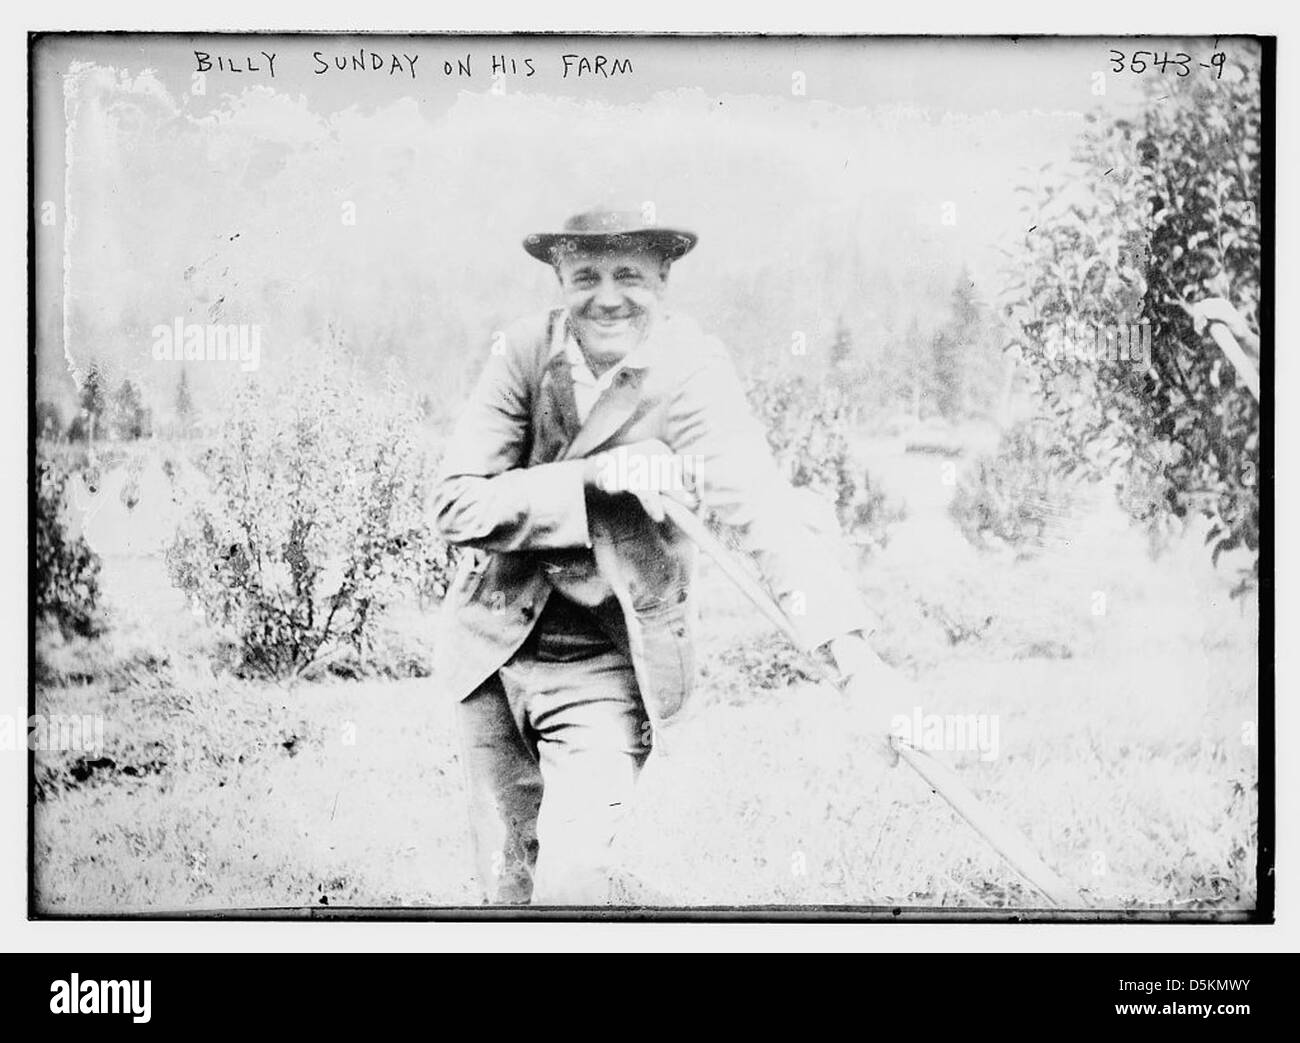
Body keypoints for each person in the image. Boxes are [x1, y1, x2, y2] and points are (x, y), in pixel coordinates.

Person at [431, 205, 904, 904]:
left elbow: (761, 508)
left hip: (607, 659)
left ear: (664, 279)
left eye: (630, 274)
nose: (608, 295)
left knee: (574, 882)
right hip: (490, 650)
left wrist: (851, 652)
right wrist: (598, 477)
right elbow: (454, 504)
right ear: (559, 280)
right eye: (585, 275)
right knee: (505, 885)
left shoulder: (691, 371)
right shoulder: (523, 353)